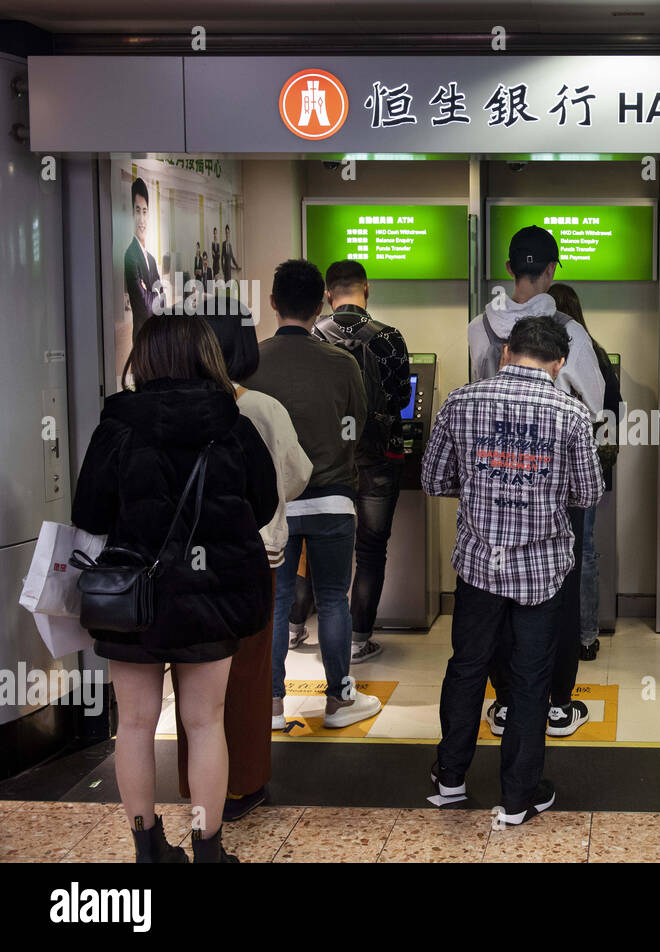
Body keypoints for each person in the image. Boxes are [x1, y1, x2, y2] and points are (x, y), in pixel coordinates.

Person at [71, 315, 278, 862]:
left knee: (135, 724)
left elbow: (88, 512)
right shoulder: (233, 424)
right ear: (205, 357)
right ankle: (208, 850)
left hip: (131, 596)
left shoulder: (116, 426)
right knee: (206, 722)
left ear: (145, 358)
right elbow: (263, 505)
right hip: (213, 595)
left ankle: (148, 850)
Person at [424, 316, 603, 824]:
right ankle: (518, 797)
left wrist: (485, 489)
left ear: (507, 353)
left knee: (467, 667)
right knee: (530, 680)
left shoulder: (461, 402)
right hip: (541, 572)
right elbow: (588, 494)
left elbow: (434, 479)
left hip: (478, 565)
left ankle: (451, 779)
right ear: (559, 364)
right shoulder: (570, 414)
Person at [172, 316, 311, 824]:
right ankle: (243, 784)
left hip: (184, 565)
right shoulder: (260, 408)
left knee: (191, 680)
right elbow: (295, 474)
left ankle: (195, 785)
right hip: (253, 557)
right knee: (248, 675)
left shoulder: (173, 408)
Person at [469, 225, 604, 738]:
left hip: (492, 487)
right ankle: (555, 704)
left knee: (495, 592)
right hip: (552, 487)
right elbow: (592, 404)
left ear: (509, 270)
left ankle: (504, 703)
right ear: (551, 271)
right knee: (558, 593)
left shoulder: (477, 328)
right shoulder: (569, 330)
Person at [244, 259, 380, 731]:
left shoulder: (252, 362)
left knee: (277, 603)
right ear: (322, 300)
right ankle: (340, 701)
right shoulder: (342, 363)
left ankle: (273, 704)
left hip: (273, 504)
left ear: (274, 302)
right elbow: (357, 426)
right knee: (333, 599)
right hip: (332, 500)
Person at [311, 260, 412, 664]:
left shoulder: (313, 336)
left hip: (324, 457)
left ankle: (299, 625)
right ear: (366, 288)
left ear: (327, 293)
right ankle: (357, 638)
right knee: (371, 549)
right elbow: (403, 398)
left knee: (312, 545)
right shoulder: (389, 338)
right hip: (378, 456)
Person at [550, 282, 621, 662]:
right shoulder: (596, 353)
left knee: (550, 547)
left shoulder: (551, 353)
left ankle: (552, 630)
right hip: (587, 466)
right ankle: (586, 635)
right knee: (584, 548)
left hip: (548, 468)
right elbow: (612, 410)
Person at [123, 177, 164, 334]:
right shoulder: (130, 256)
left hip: (157, 337)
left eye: (144, 211)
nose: (141, 219)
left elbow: (163, 302)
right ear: (132, 214)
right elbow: (146, 308)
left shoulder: (152, 260)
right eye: (137, 211)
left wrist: (153, 293)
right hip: (142, 340)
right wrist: (157, 294)